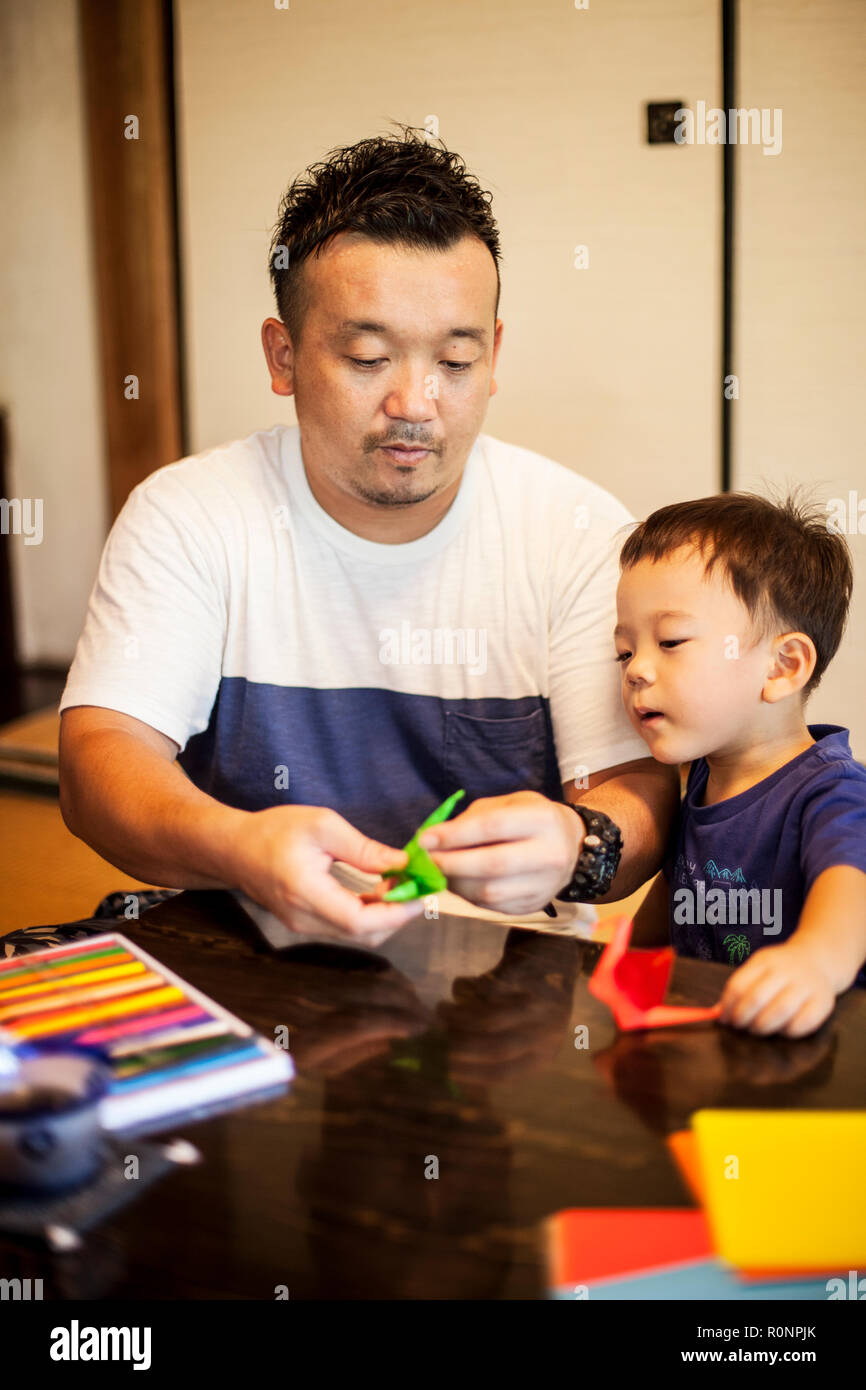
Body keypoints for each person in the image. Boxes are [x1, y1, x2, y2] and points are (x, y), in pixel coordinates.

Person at [58, 125, 678, 945]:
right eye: (366, 358)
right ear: (283, 357)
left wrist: (581, 842)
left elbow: (639, 786)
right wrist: (240, 846)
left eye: (454, 364)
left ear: (493, 357)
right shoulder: (190, 515)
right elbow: (99, 760)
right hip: (242, 951)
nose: (415, 404)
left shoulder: (575, 534)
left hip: (500, 991)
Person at [616, 492, 866, 1036]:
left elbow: (855, 887)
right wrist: (624, 959)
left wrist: (817, 963)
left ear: (783, 666)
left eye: (671, 641)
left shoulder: (832, 792)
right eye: (626, 650)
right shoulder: (700, 780)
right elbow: (677, 890)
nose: (636, 669)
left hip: (819, 1053)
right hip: (720, 1037)